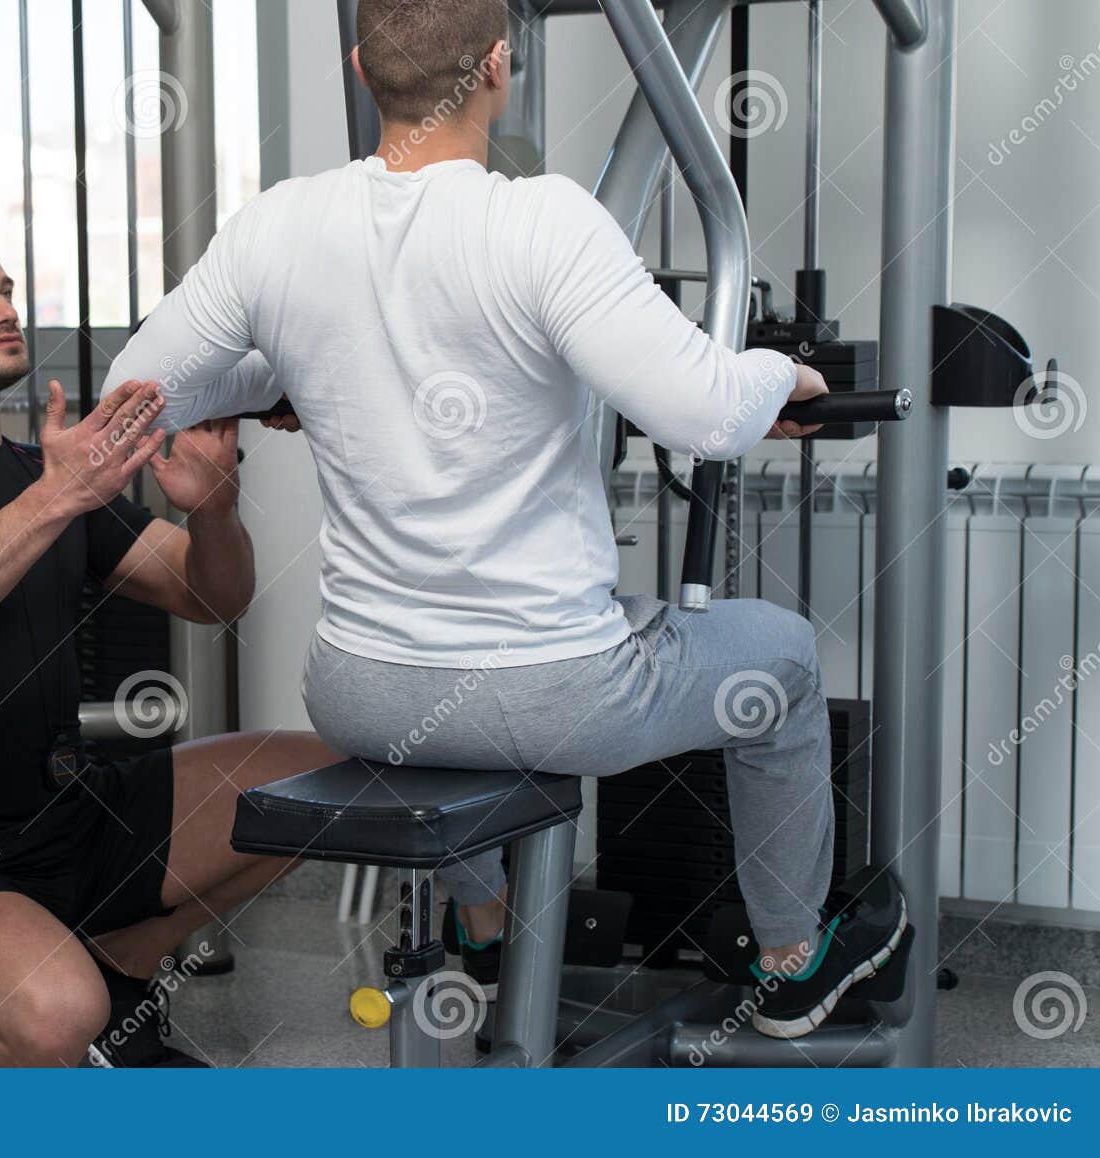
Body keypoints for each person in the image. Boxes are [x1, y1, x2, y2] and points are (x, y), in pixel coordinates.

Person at [99, 0, 906, 1039]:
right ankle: (792, 964)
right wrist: (781, 375)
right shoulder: (545, 221)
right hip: (550, 693)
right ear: (496, 65)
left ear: (360, 68)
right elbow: (705, 413)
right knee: (782, 660)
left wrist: (282, 377)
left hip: (358, 690)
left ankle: (483, 925)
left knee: (450, 712)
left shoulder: (279, 225)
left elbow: (139, 394)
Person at [0, 212, 336, 1067]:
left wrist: (214, 508)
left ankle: (126, 955)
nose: (4, 309)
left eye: (6, 291)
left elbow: (213, 597)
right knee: (63, 1017)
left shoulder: (47, 475)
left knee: (327, 782)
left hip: (82, 811)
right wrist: (58, 498)